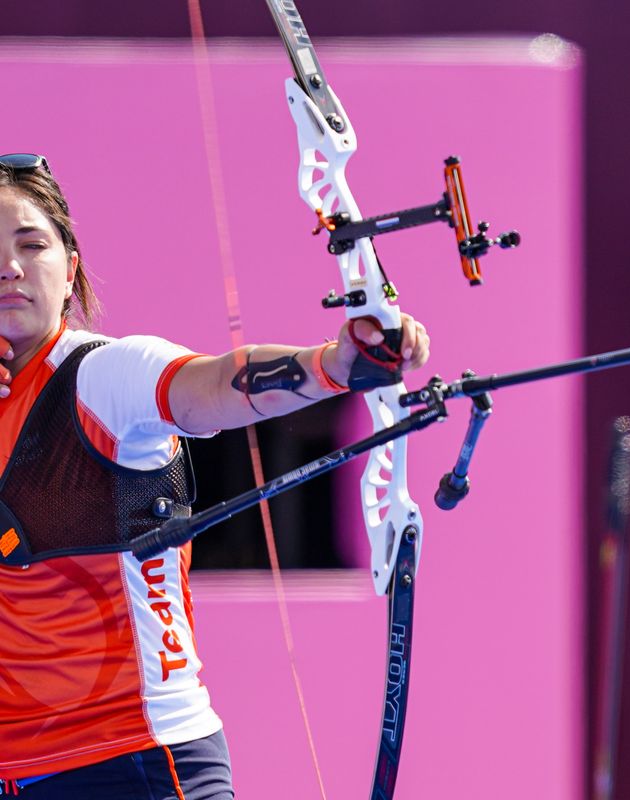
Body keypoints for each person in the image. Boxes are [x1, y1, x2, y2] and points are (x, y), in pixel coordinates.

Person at [0, 153, 430, 798]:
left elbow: (214, 385)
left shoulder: (103, 377)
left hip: (136, 763)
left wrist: (334, 365)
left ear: (70, 273)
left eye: (32, 244)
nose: (9, 267)